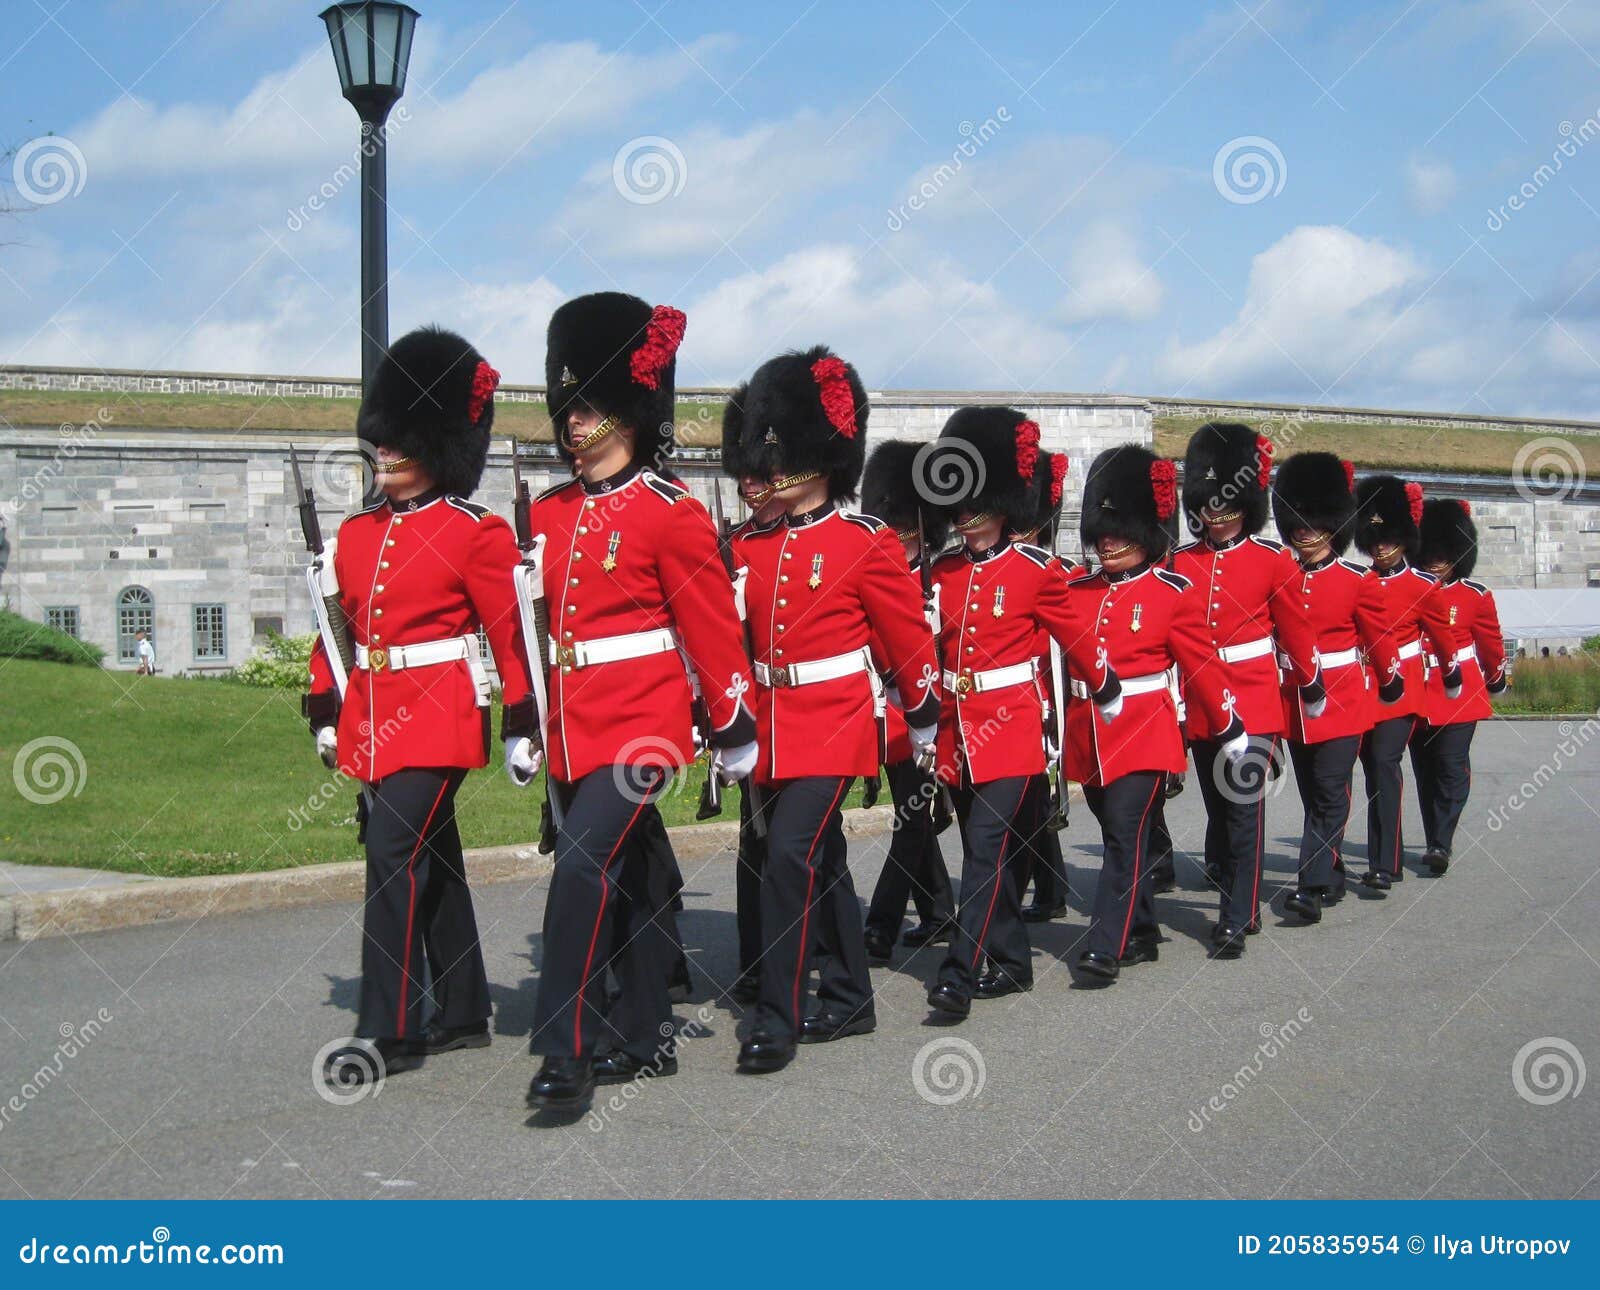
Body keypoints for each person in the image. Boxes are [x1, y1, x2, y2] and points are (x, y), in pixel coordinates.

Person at [525, 292, 756, 1110]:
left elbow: (710, 632)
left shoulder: (671, 514)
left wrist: (731, 721)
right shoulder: (546, 514)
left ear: (624, 410)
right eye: (568, 405)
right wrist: (525, 718)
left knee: (581, 867)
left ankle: (566, 1048)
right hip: (574, 726)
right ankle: (647, 1029)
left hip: (648, 725)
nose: (572, 422)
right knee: (626, 875)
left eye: (587, 405)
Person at [304, 326, 533, 1084]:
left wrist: (523, 720)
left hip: (438, 715)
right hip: (373, 711)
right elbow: (338, 629)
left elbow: (511, 636)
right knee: (431, 857)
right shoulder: (357, 533)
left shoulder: (477, 533)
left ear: (435, 445)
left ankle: (389, 1026)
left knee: (391, 851)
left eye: (402, 441)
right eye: (384, 441)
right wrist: (324, 706)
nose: (387, 453)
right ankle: (464, 1009)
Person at [733, 345, 940, 1073]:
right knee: (817, 861)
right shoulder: (749, 547)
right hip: (768, 720)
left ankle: (777, 1017)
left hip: (834, 721)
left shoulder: (864, 542)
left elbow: (906, 637)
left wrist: (921, 713)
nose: (764, 468)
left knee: (789, 852)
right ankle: (851, 994)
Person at [920, 409, 1119, 1019]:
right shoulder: (944, 572)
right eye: (959, 507)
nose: (966, 517)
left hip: (1009, 727)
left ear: (1003, 505)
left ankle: (960, 971)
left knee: (983, 848)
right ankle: (1010, 962)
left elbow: (1075, 639)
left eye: (976, 505)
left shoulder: (1034, 573)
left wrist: (1105, 686)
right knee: (988, 854)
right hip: (957, 729)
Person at [1066, 446, 1240, 981]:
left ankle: (1106, 944)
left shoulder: (1172, 593)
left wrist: (1229, 725)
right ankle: (1141, 932)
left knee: (1122, 833)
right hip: (1086, 732)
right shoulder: (1075, 591)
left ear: (1145, 531)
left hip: (1144, 728)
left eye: (1119, 532)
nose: (1108, 542)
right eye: (1102, 532)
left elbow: (1201, 665)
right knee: (1122, 831)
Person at [1172, 423, 1322, 958]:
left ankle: (1236, 915)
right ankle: (1246, 897)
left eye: (1225, 503)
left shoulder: (1273, 560)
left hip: (1255, 697)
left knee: (1243, 807)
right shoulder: (1182, 563)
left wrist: (1309, 680)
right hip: (1201, 701)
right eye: (1206, 503)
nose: (1214, 513)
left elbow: (1295, 630)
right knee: (1217, 807)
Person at [1271, 453, 1401, 924]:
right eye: (1297, 524)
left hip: (1343, 697)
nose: (1303, 532)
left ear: (1332, 524)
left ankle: (1308, 885)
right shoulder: (1280, 576)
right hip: (1296, 701)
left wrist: (1390, 679)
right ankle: (1333, 873)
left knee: (1330, 792)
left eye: (1312, 524)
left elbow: (1379, 638)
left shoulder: (1356, 580)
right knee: (1313, 795)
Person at [858, 438, 957, 962]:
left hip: (932, 712)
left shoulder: (939, 581)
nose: (894, 537)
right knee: (913, 814)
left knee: (912, 818)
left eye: (902, 529)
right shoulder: (871, 574)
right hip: (889, 710)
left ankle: (881, 923)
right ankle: (940, 910)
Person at [1351, 475, 1463, 890]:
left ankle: (1385, 863)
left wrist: (1451, 675)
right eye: (1374, 540)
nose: (1380, 547)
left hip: (1402, 690)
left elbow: (1443, 638)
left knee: (1383, 763)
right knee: (1371, 771)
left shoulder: (1421, 585)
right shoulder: (1357, 581)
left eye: (1387, 539)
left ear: (1402, 538)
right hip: (1362, 689)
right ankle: (1384, 852)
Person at [719, 383, 790, 1004]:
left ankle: (797, 956)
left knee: (797, 845)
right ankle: (754, 960)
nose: (750, 483)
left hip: (804, 713)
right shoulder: (734, 545)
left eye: (760, 472)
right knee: (755, 840)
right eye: (745, 473)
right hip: (751, 711)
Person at [1410, 498, 1508, 874]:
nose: (1435, 560)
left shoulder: (1474, 596)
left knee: (1451, 767)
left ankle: (1441, 842)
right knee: (1425, 771)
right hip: (1419, 691)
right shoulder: (1412, 589)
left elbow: (1490, 644)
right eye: (1430, 553)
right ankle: (1436, 832)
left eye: (1444, 553)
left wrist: (1495, 676)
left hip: (1459, 693)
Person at [1011, 448, 1076, 925]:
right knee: (1031, 801)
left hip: (1046, 695)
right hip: (1016, 698)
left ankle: (1043, 889)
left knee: (1035, 800)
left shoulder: (1063, 573)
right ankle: (1050, 888)